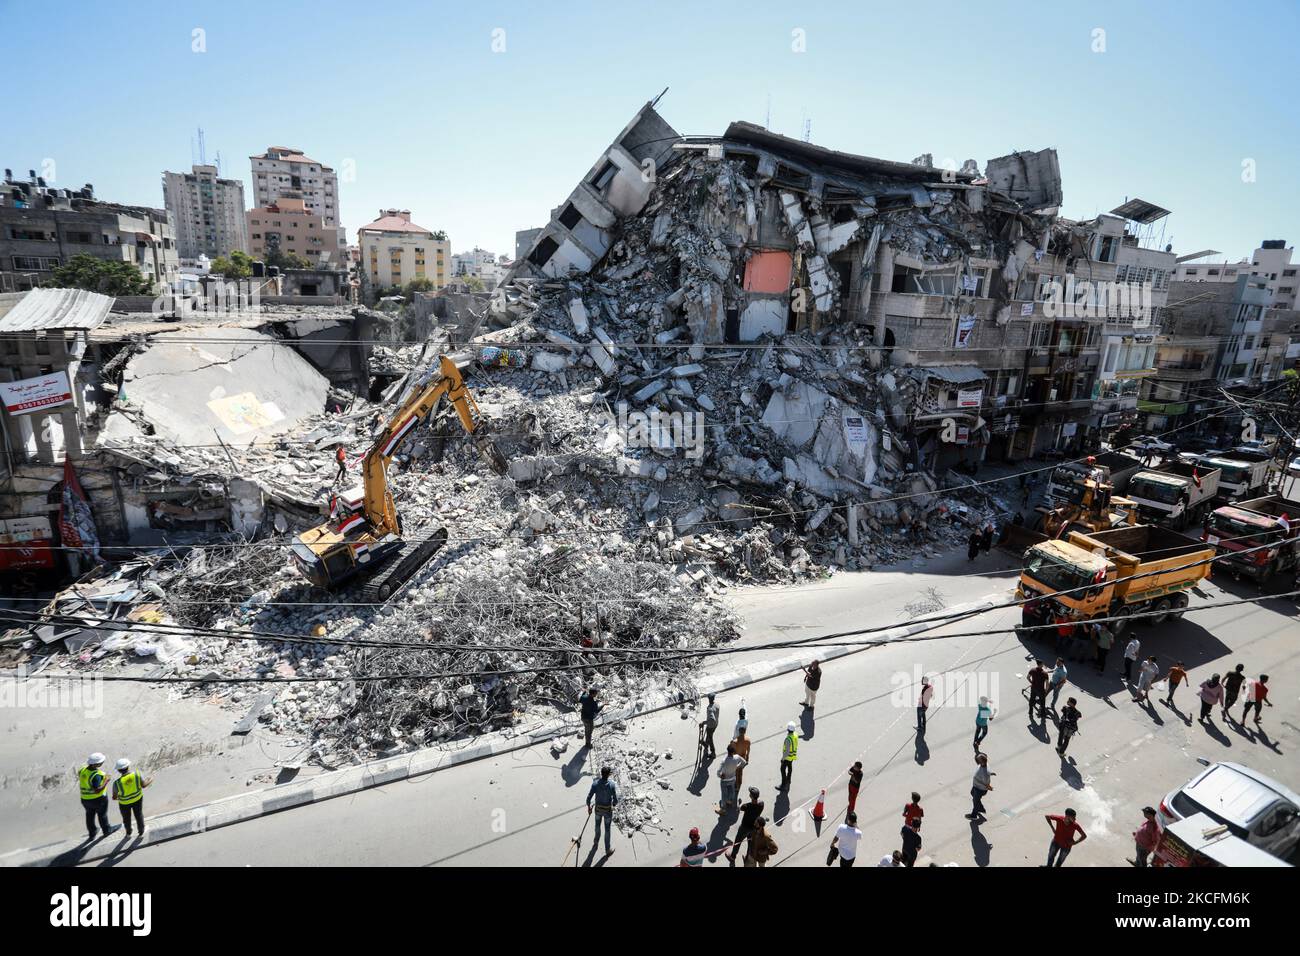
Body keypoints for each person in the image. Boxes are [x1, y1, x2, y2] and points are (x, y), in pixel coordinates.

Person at [110, 758, 151, 838]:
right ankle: (141, 832)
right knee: (138, 815)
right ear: (128, 767)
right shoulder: (137, 774)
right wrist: (150, 780)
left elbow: (114, 797)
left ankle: (128, 833)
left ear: (118, 770)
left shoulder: (116, 783)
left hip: (124, 803)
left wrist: (122, 797)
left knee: (126, 818)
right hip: (137, 800)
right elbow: (144, 785)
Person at [77, 752, 113, 841]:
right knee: (102, 815)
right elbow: (97, 790)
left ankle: (92, 833)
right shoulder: (96, 775)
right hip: (98, 800)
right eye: (102, 762)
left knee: (89, 815)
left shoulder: (82, 770)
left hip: (85, 799)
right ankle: (106, 830)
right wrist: (106, 780)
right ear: (97, 764)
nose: (102, 763)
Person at [586, 765, 618, 857]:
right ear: (608, 775)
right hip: (608, 811)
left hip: (598, 810)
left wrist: (589, 807)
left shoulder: (595, 784)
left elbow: (588, 798)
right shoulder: (611, 785)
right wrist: (614, 805)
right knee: (607, 829)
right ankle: (607, 849)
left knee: (597, 825)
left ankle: (596, 842)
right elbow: (615, 800)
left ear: (601, 773)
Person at [728, 788, 764, 865]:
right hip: (753, 827)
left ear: (750, 796)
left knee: (738, 841)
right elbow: (759, 802)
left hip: (744, 827)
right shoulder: (761, 804)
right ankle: (748, 858)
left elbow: (739, 809)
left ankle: (733, 856)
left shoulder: (746, 806)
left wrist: (738, 804)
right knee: (750, 843)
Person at [715, 743, 747, 815]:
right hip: (733, 778)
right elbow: (744, 762)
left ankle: (723, 809)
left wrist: (720, 776)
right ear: (733, 751)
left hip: (724, 780)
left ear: (727, 751)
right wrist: (737, 767)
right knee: (731, 790)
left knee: (724, 794)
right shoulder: (737, 757)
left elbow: (718, 772)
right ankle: (729, 801)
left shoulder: (724, 761)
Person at [965, 754, 993, 820]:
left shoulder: (985, 773)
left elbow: (986, 783)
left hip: (980, 789)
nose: (976, 760)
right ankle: (981, 808)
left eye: (978, 760)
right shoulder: (984, 765)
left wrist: (989, 787)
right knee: (972, 793)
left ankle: (974, 815)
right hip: (976, 786)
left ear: (982, 762)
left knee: (975, 801)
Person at [730, 721, 752, 793]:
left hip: (736, 759)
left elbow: (731, 750)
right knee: (740, 772)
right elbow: (748, 749)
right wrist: (747, 757)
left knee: (736, 773)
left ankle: (736, 785)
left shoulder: (735, 741)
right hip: (743, 758)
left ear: (739, 731)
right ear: (745, 732)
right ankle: (739, 784)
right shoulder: (748, 740)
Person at [778, 721, 798, 790]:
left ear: (788, 729)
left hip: (787, 757)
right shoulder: (795, 735)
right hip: (792, 756)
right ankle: (789, 779)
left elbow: (786, 752)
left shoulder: (788, 739)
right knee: (790, 767)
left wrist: (782, 759)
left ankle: (783, 784)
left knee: (782, 769)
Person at [702, 693, 720, 760]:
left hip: (711, 726)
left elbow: (712, 718)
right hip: (715, 724)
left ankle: (713, 753)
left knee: (710, 737)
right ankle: (706, 744)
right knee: (709, 735)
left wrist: (704, 722)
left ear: (709, 699)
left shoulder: (710, 709)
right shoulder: (717, 705)